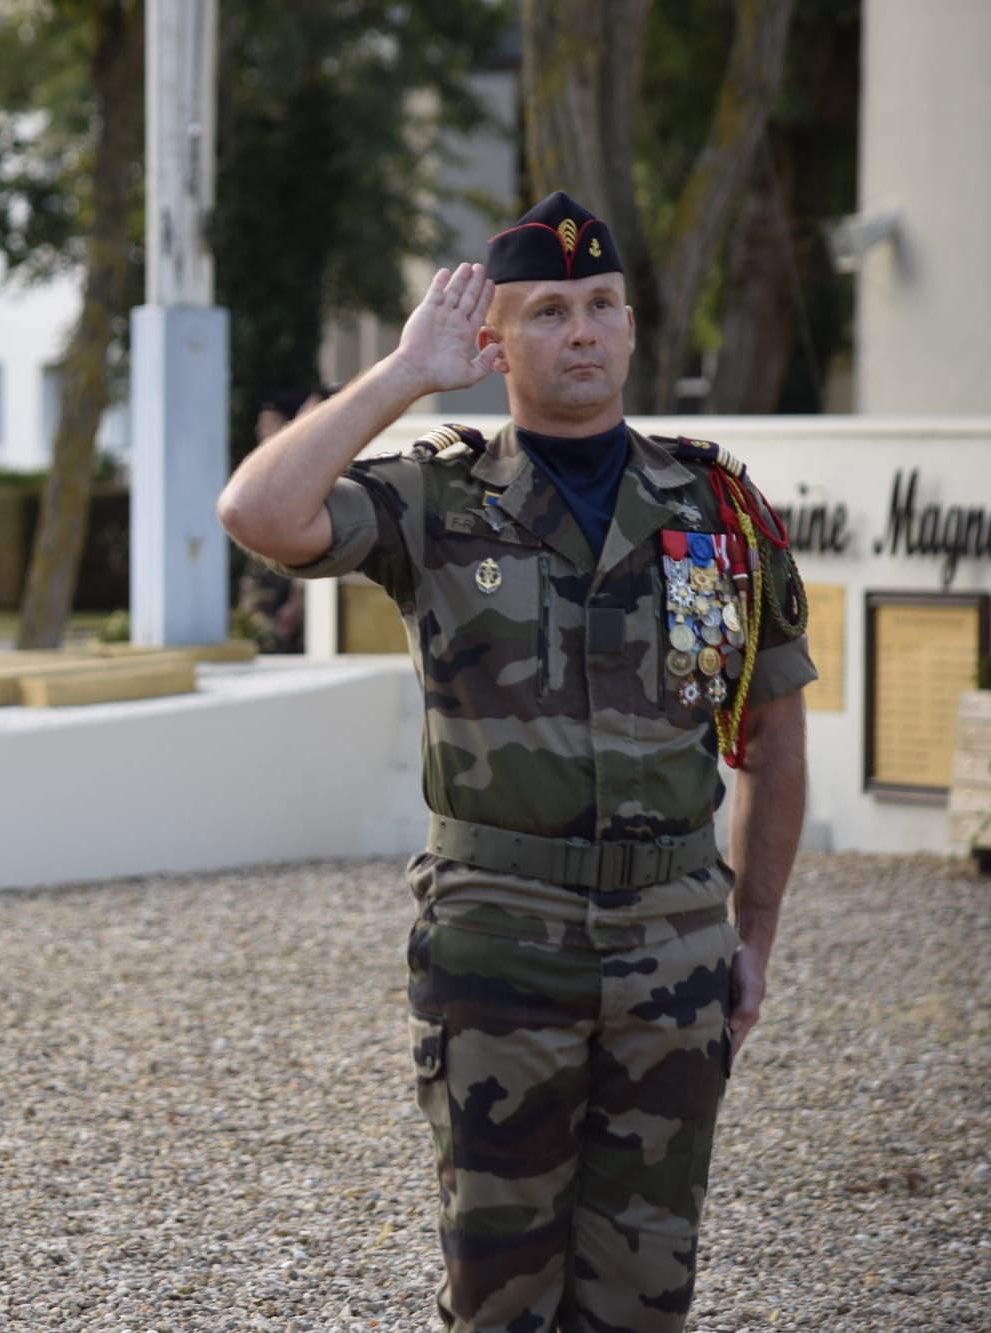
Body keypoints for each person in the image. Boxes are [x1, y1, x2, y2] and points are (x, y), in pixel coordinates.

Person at [217, 192, 813, 1332]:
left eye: (598, 306)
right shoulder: (434, 496)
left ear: (631, 328)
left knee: (646, 1296)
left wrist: (754, 937)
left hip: (669, 950)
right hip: (497, 947)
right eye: (545, 312)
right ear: (491, 342)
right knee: (500, 1301)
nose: (579, 331)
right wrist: (399, 377)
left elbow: (772, 742)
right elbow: (257, 510)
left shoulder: (718, 511)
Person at [236, 387, 331, 652]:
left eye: (270, 423)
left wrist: (296, 601)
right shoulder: (266, 468)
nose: (261, 430)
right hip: (263, 589)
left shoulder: (308, 471)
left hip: (288, 594)